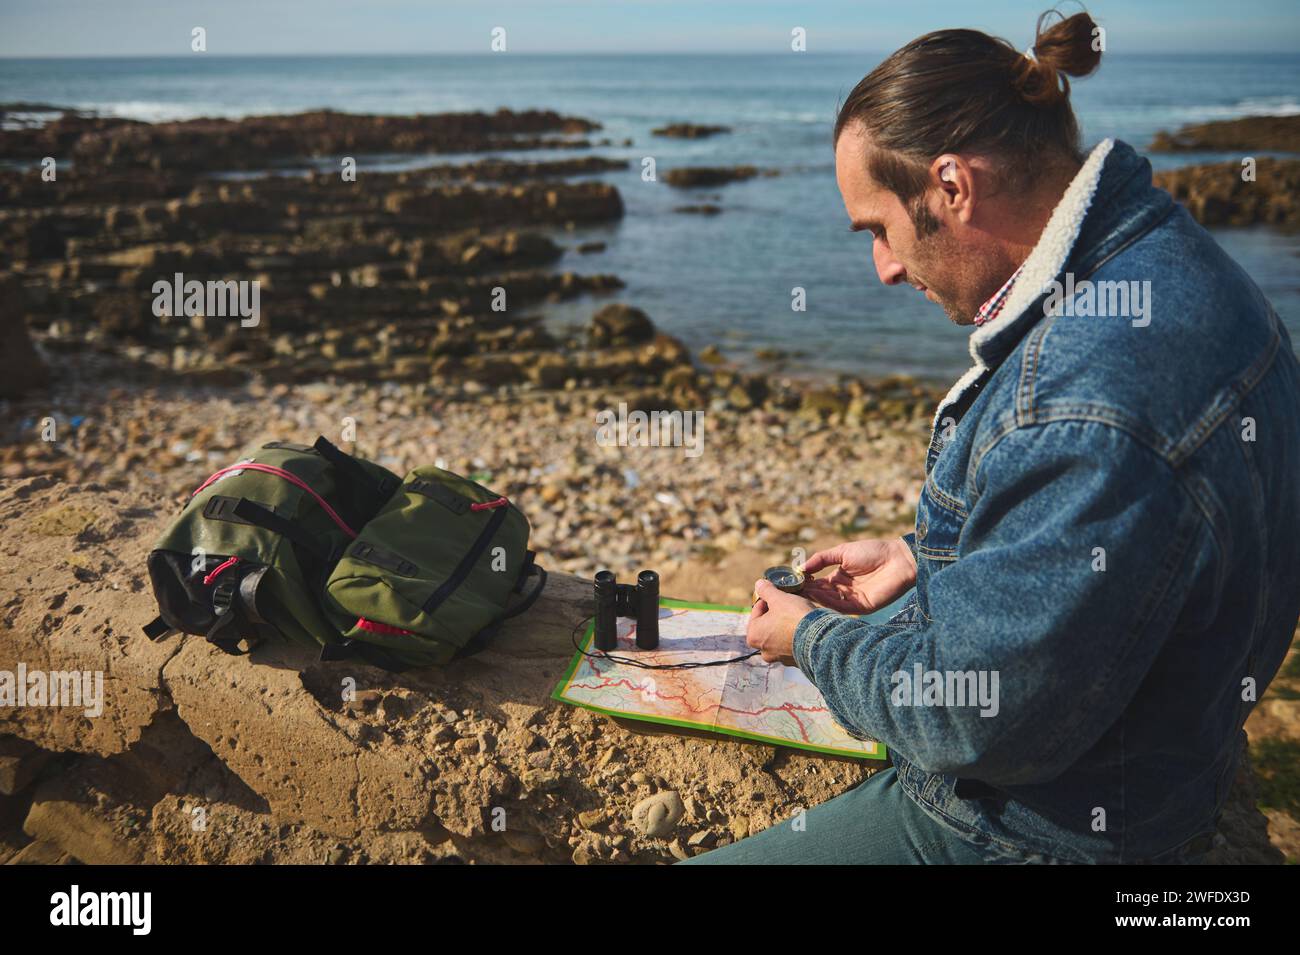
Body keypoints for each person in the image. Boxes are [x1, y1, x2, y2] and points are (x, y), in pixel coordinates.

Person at [684, 8, 1300, 864]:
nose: (886, 269)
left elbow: (972, 720)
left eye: (880, 231)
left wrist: (809, 639)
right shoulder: (1174, 260)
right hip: (1162, 770)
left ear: (951, 186)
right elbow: (1126, 552)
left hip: (1030, 833)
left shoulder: (1082, 399)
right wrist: (917, 556)